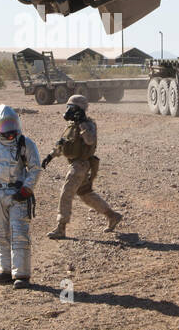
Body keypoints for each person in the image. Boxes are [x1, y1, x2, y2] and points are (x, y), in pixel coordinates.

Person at [0, 104, 42, 288]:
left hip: (18, 195)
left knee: (19, 234)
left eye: (11, 124)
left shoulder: (25, 144)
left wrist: (26, 190)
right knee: (2, 234)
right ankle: (6, 271)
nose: (9, 130)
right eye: (3, 126)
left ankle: (21, 274)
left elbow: (35, 169)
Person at [42, 94, 122, 239]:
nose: (68, 111)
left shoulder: (88, 125)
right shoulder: (71, 125)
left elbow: (90, 141)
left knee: (66, 193)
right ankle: (112, 215)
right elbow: (62, 144)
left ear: (79, 109)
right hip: (75, 164)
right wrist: (50, 156)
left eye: (71, 108)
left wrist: (82, 124)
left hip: (81, 165)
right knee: (86, 195)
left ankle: (61, 228)